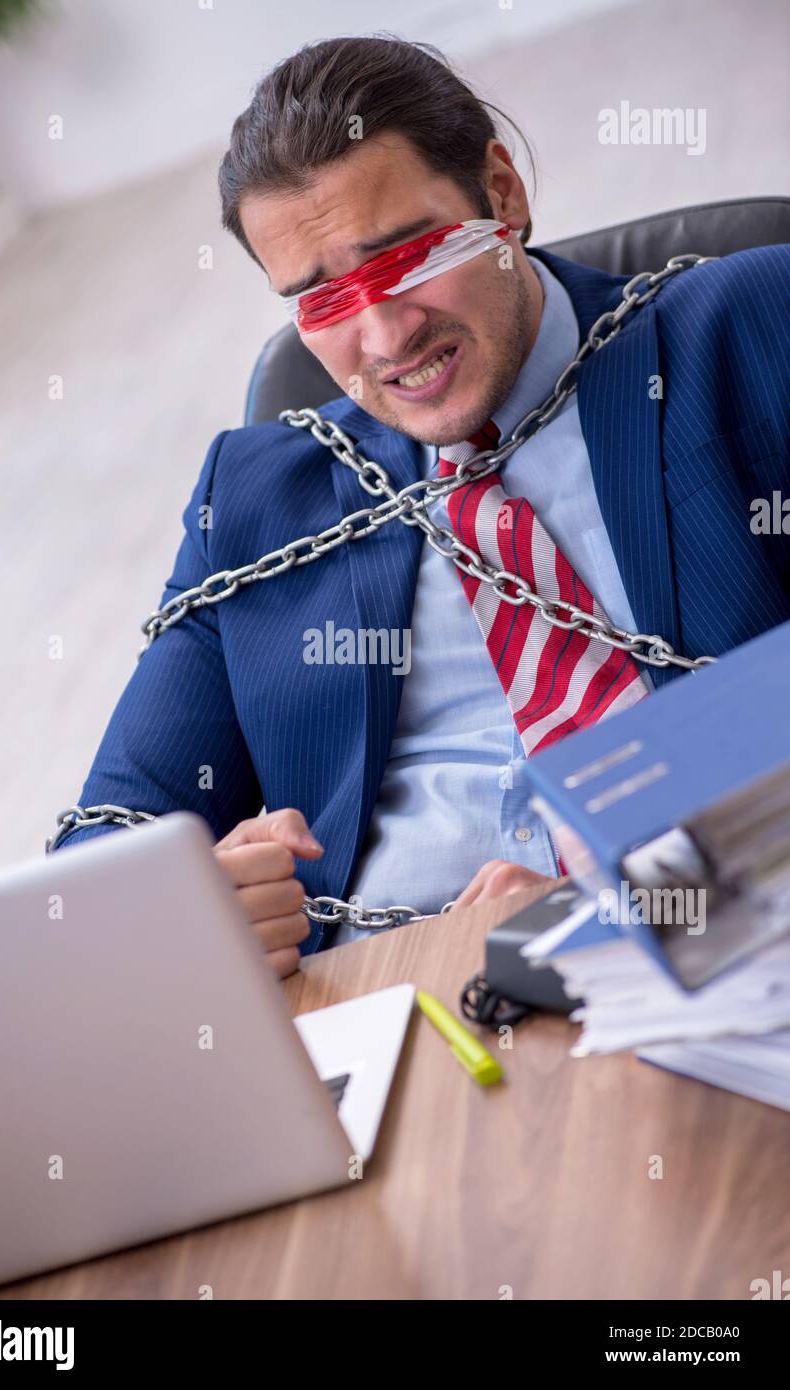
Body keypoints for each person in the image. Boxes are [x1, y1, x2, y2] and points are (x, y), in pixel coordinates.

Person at [50, 36, 790, 978]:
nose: (386, 334)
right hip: (385, 1007)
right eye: (320, 301)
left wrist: (620, 895)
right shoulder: (254, 498)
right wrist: (183, 913)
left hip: (716, 958)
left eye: (405, 255)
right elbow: (99, 852)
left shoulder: (746, 325)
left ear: (501, 194)